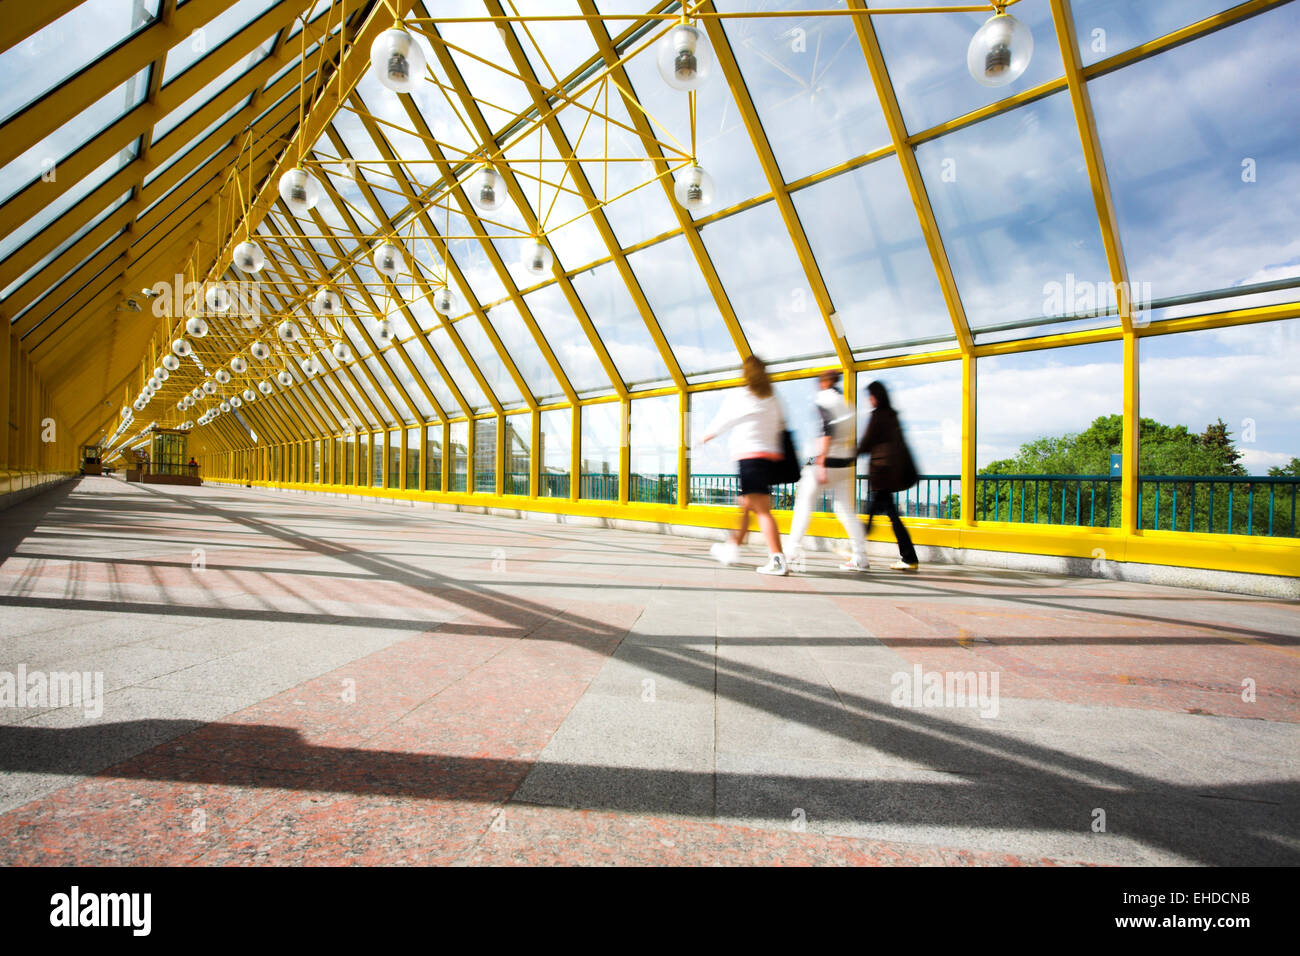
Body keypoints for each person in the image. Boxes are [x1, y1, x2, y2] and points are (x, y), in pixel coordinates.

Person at [699, 356, 790, 576]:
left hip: (749, 458)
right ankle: (732, 547)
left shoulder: (742, 395)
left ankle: (777, 559)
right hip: (767, 458)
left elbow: (723, 420)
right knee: (746, 504)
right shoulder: (771, 397)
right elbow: (781, 425)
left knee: (761, 511)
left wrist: (704, 437)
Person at [786, 371, 869, 571]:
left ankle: (791, 552)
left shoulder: (824, 399)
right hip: (844, 463)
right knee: (846, 511)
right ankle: (861, 556)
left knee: (803, 505)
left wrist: (821, 462)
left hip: (824, 463)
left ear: (824, 382)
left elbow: (826, 429)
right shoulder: (846, 404)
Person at [858, 380, 920, 571]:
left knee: (875, 515)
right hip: (890, 474)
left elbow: (867, 442)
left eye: (870, 395)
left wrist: (848, 456)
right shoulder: (892, 416)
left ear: (876, 396)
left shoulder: (879, 416)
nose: (869, 399)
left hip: (881, 473)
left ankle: (858, 551)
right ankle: (909, 557)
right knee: (887, 516)